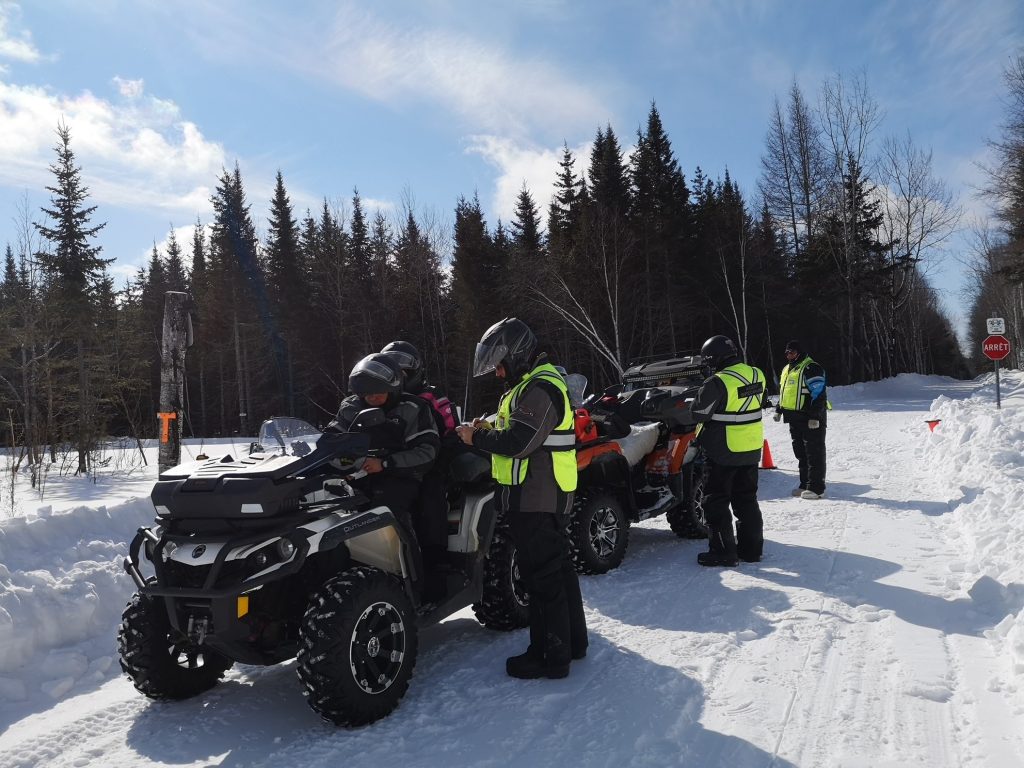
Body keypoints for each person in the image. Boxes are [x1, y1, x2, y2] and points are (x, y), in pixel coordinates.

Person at [455, 317, 588, 679]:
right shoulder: (529, 386)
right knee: (557, 571)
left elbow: (518, 443)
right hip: (539, 494)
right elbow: (516, 430)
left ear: (516, 354)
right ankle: (573, 643)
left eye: (499, 364)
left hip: (537, 497)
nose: (498, 373)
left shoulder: (540, 387)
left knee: (542, 578)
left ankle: (549, 656)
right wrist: (487, 427)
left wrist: (474, 439)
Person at [327, 352, 439, 596]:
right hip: (357, 477)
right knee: (325, 517)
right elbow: (331, 442)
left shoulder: (413, 408)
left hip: (401, 477)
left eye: (379, 393)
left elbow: (427, 452)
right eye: (367, 395)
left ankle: (415, 588)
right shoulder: (350, 409)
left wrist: (386, 463)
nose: (373, 399)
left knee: (389, 513)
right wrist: (342, 464)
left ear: (394, 388)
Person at [381, 340, 457, 602]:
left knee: (429, 499)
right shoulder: (385, 399)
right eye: (395, 373)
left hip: (434, 462)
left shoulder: (432, 398)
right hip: (395, 463)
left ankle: (437, 564)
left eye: (404, 373)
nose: (400, 378)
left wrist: (430, 458)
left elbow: (450, 431)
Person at [689, 335, 765, 567]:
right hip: (751, 448)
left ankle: (723, 552)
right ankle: (751, 551)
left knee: (715, 502)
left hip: (723, 452)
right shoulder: (756, 374)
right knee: (746, 500)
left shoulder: (717, 382)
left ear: (715, 358)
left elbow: (698, 413)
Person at [775, 340, 827, 500]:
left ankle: (816, 488)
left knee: (814, 453)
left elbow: (819, 394)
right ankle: (805, 484)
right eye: (787, 352)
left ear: (800, 352)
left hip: (810, 418)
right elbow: (785, 392)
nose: (788, 355)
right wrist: (779, 409)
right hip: (793, 418)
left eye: (792, 352)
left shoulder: (811, 368)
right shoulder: (787, 369)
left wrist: (814, 416)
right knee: (801, 453)